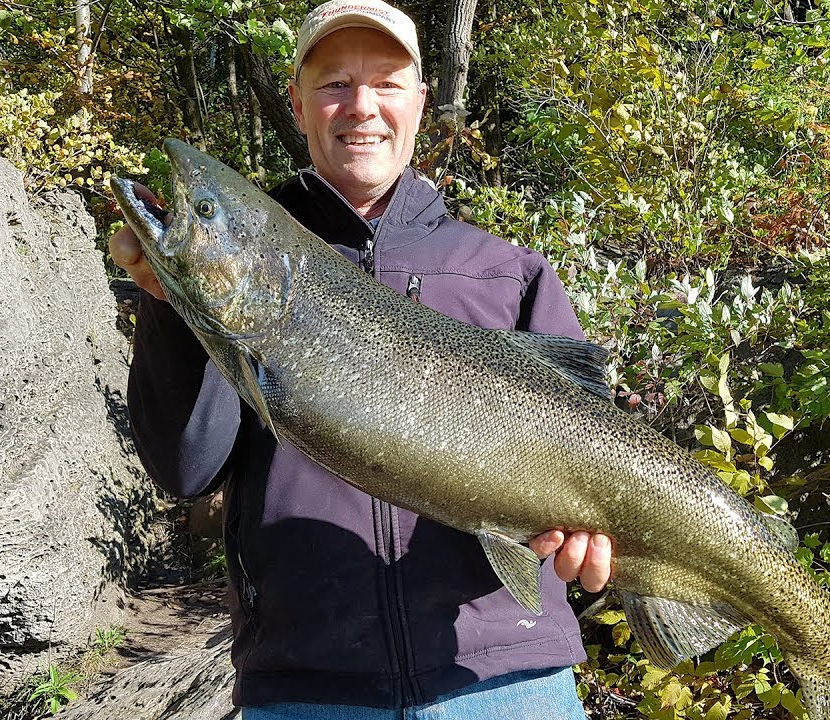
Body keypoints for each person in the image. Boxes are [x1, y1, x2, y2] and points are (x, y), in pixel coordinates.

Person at [108, 0, 613, 716]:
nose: (361, 106)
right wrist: (172, 306)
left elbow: (596, 455)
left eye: (385, 83)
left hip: (506, 682)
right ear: (299, 103)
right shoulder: (256, 266)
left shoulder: (510, 272)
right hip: (306, 685)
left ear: (420, 101)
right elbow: (187, 468)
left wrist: (585, 538)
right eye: (335, 83)